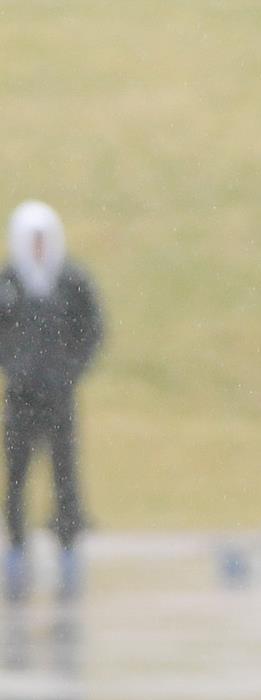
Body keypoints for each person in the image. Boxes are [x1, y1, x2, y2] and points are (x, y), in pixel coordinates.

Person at [0, 201, 103, 602]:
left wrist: (70, 368)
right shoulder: (8, 282)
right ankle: (17, 541)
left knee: (65, 472)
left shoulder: (70, 280)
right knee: (17, 472)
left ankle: (67, 541)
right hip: (20, 395)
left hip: (60, 395)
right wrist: (14, 366)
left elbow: (93, 327)